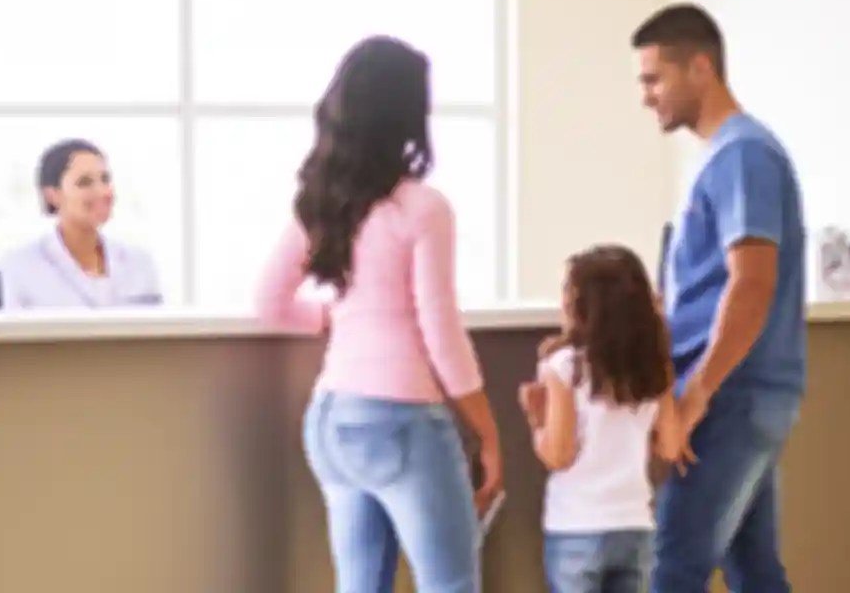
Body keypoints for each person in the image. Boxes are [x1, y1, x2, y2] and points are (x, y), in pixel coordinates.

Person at [255, 35, 503, 593]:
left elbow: (268, 302)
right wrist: (487, 430)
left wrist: (332, 317)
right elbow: (439, 331)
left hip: (330, 419)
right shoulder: (423, 208)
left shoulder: (322, 204)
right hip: (403, 420)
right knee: (452, 585)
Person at [633, 3, 806, 592]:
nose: (646, 96)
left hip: (730, 395)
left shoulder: (742, 156)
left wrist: (698, 394)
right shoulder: (730, 156)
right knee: (754, 572)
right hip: (742, 394)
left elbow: (751, 282)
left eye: (654, 78)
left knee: (672, 568)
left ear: (700, 68)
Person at [519, 245, 684, 593]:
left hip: (576, 528)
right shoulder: (656, 370)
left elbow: (559, 455)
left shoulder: (563, 367)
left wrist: (536, 420)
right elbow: (670, 447)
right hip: (635, 526)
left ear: (580, 307)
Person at [0, 139, 162, 308]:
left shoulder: (139, 263)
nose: (103, 192)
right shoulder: (20, 265)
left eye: (105, 179)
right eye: (85, 182)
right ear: (52, 195)